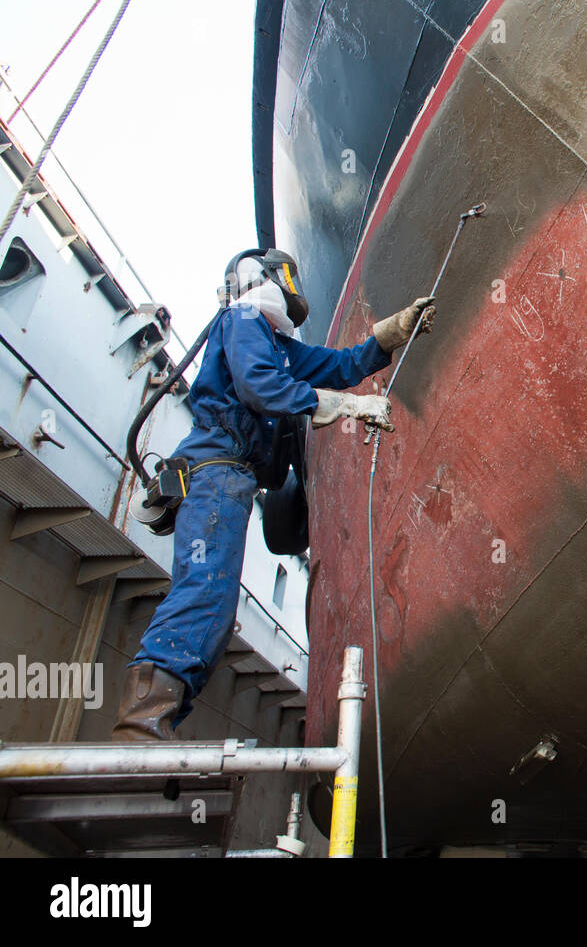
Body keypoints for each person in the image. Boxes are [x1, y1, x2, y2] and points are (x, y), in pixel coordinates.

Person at [112, 249, 434, 740]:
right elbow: (261, 387)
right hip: (216, 472)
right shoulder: (244, 318)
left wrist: (393, 331)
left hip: (233, 482)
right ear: (265, 279)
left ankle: (154, 724)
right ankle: (140, 728)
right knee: (205, 595)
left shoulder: (279, 345)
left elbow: (342, 364)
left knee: (213, 607)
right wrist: (347, 406)